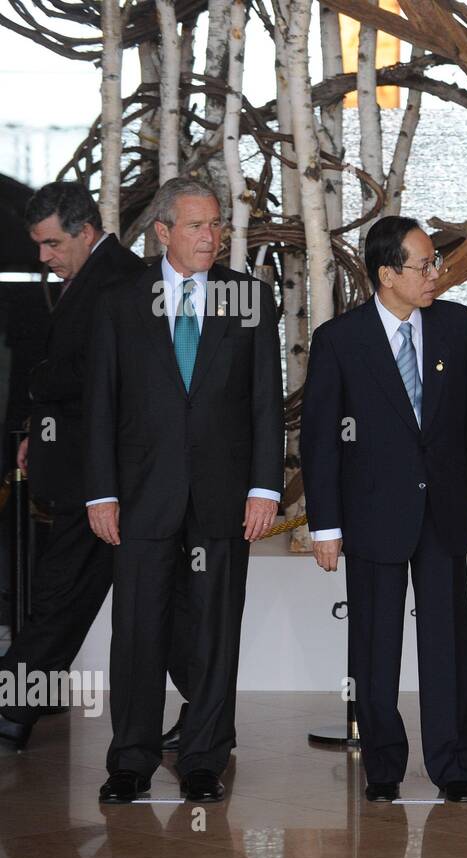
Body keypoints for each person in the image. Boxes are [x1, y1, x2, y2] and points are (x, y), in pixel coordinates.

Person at [85, 177, 284, 803]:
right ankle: (131, 761)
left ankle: (204, 758)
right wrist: (101, 493)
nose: (211, 236)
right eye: (197, 225)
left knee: (215, 631)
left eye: (217, 224)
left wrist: (264, 487)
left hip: (225, 496)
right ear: (163, 232)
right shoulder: (120, 301)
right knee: (138, 630)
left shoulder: (249, 299)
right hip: (142, 496)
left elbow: (265, 405)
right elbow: (100, 405)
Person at [300, 215, 467, 804]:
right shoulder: (340, 340)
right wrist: (324, 525)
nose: (435, 274)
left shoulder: (458, 327)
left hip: (443, 512)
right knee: (374, 648)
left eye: (435, 263)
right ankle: (382, 769)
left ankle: (455, 767)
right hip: (371, 516)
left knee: (449, 645)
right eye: (423, 265)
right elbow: (320, 440)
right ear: (386, 274)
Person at [0, 183, 145, 750]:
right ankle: (15, 706)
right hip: (90, 475)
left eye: (52, 244)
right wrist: (43, 429)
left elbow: (93, 379)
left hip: (103, 480)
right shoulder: (98, 276)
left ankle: (13, 705)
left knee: (64, 594)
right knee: (72, 595)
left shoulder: (119, 281)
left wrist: (40, 392)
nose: (43, 257)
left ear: (86, 232)